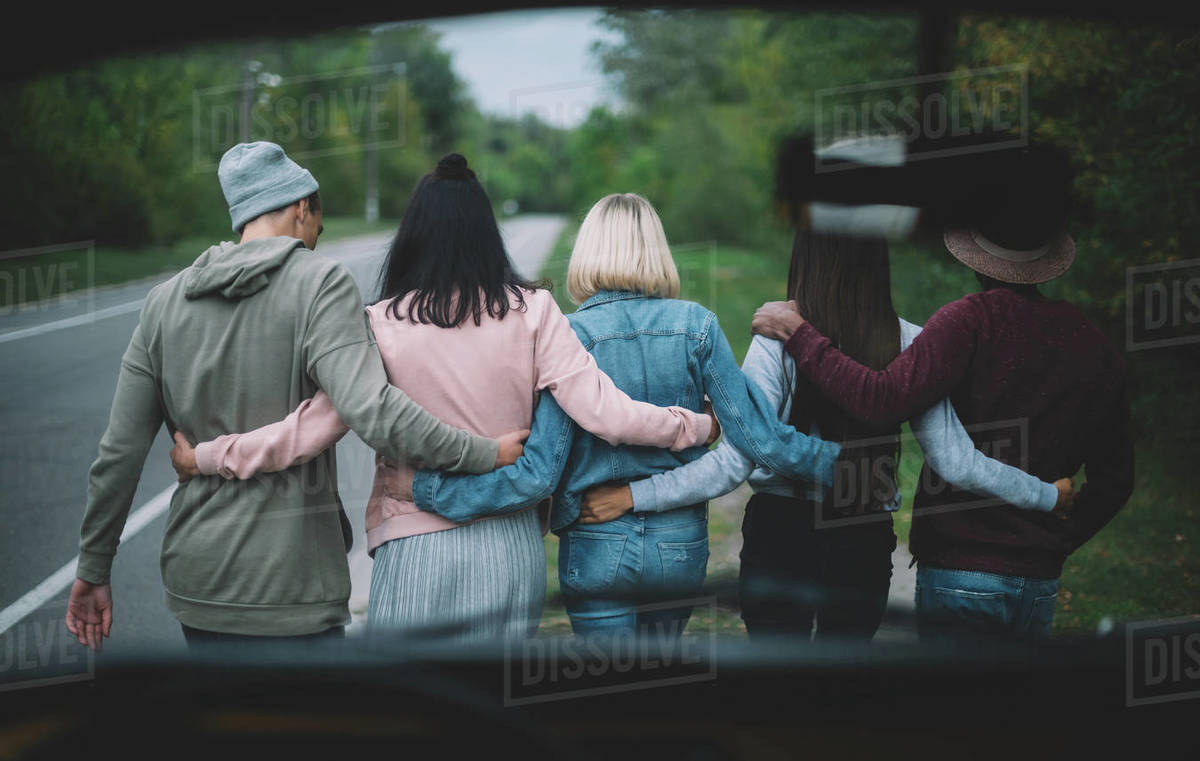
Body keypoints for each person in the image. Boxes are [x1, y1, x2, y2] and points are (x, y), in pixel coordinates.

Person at [170, 160, 718, 642]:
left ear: (412, 237)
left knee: (415, 712)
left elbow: (310, 429)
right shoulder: (535, 311)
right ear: (488, 235)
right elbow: (606, 412)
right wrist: (694, 426)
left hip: (415, 543)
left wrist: (210, 456)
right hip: (510, 549)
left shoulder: (378, 322)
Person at [65, 142, 526, 653]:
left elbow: (119, 453)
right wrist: (483, 452)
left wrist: (93, 568)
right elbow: (373, 409)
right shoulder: (320, 283)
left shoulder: (163, 303)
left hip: (199, 580)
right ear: (303, 206)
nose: (314, 243)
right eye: (317, 230)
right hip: (294, 584)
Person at [579, 229, 1075, 641]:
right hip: (862, 533)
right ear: (878, 266)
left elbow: (734, 460)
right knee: (843, 688)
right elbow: (956, 461)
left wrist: (632, 496)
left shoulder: (776, 341)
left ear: (805, 264)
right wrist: (1047, 495)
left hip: (779, 531)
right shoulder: (910, 341)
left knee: (778, 690)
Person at [400, 193, 844, 642]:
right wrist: (848, 467)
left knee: (609, 683)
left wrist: (432, 491)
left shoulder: (567, 335)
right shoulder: (698, 326)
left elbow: (539, 473)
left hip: (598, 540)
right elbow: (761, 439)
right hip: (678, 541)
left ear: (587, 251)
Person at [750, 148, 1134, 640]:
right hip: (1028, 572)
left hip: (949, 565)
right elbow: (1114, 476)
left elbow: (877, 403)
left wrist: (800, 337)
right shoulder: (1092, 343)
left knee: (790, 672)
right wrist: (1054, 529)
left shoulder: (964, 321)